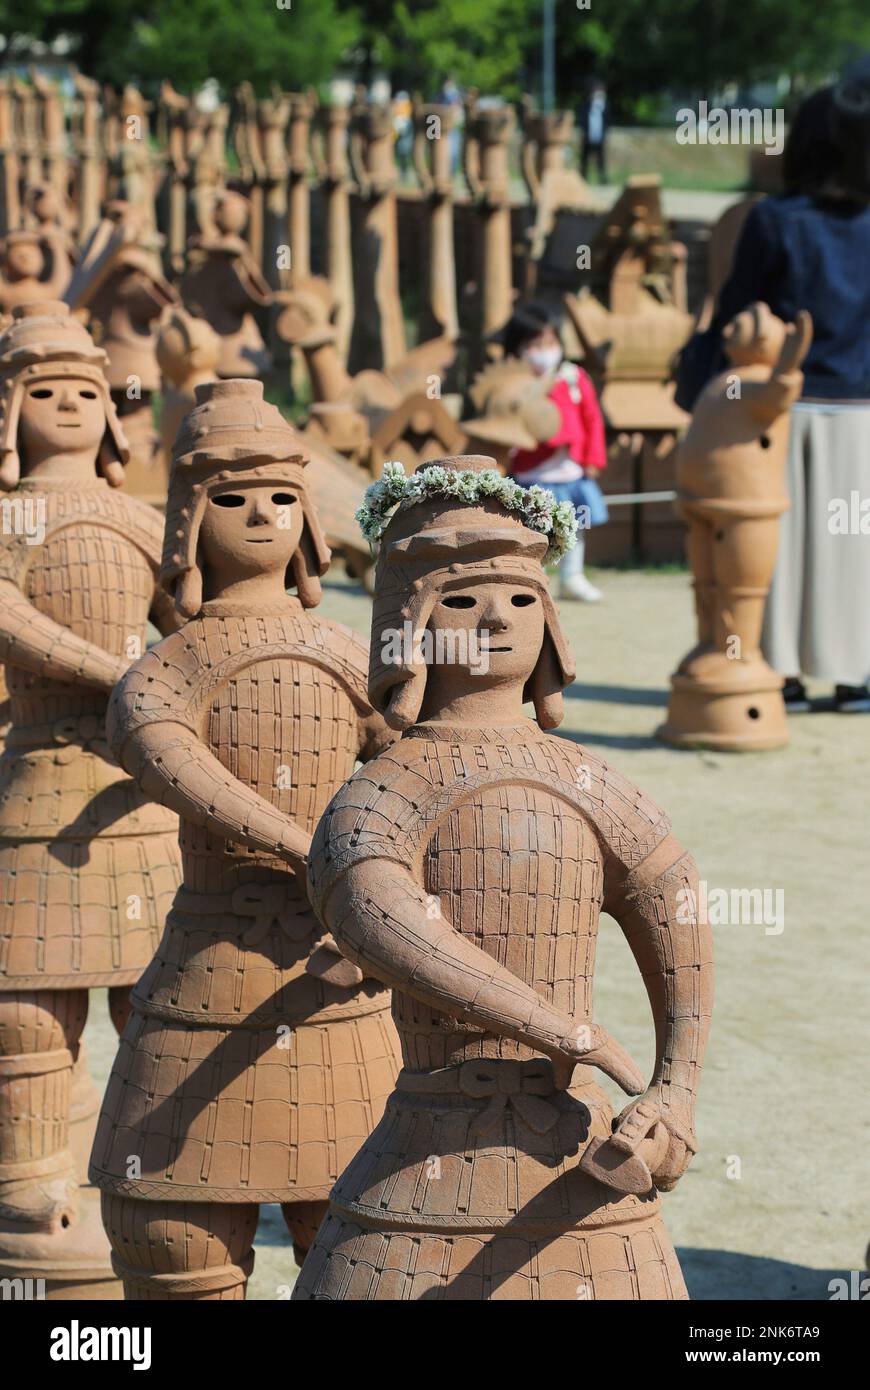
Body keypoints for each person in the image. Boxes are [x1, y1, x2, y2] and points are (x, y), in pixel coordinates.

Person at [708, 71, 870, 712]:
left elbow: (735, 315)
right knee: (856, 546)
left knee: (780, 542)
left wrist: (696, 386)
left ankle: (780, 672)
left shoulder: (773, 220)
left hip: (780, 406)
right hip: (863, 410)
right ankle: (858, 672)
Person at [502, 302, 609, 601]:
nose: (544, 350)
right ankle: (534, 579)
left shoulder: (574, 377)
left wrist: (593, 458)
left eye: (550, 342)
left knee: (573, 527)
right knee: (532, 530)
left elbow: (592, 418)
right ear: (517, 348)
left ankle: (572, 576)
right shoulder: (513, 383)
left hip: (570, 471)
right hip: (529, 471)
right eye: (535, 344)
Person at [579, 81, 609, 183]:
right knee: (584, 160)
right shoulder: (586, 106)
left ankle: (603, 179)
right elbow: (582, 120)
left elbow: (607, 122)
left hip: (599, 137)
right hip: (588, 137)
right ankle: (583, 179)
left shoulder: (605, 107)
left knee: (601, 160)